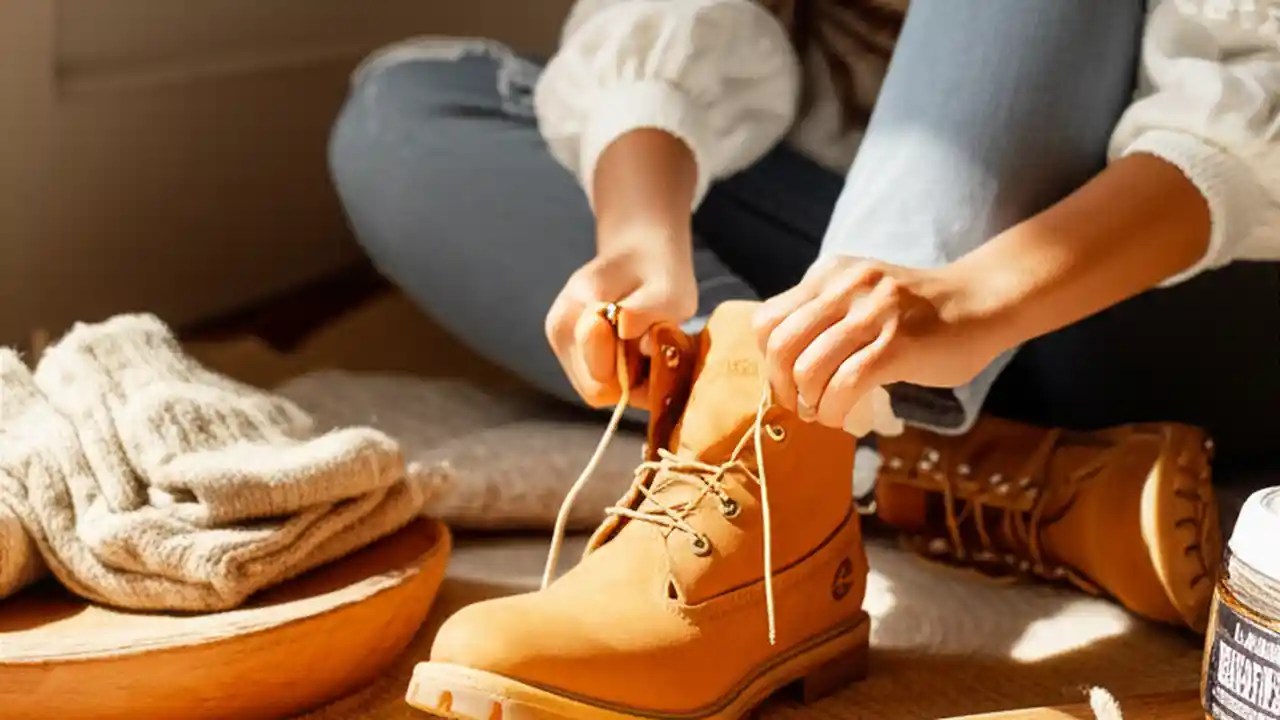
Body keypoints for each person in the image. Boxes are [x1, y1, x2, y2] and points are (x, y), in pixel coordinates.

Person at [330, 0, 1279, 466]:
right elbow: (662, 25)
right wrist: (641, 240)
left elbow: (1245, 115)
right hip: (848, 277)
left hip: (1135, 281)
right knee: (408, 116)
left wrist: (973, 297)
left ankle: (818, 460)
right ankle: (821, 453)